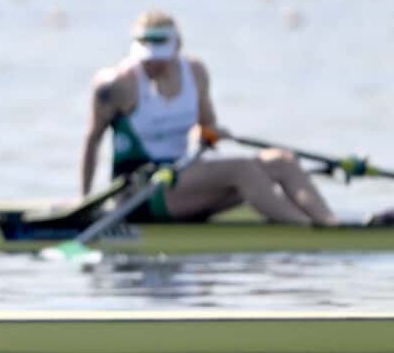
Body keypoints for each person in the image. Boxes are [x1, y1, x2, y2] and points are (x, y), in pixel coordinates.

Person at [80, 11, 336, 226]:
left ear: (178, 44)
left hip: (182, 177)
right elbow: (92, 141)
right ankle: (305, 231)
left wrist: (209, 133)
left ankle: (329, 224)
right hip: (138, 192)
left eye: (160, 57)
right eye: (148, 58)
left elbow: (206, 127)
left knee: (282, 161)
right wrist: (85, 203)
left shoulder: (195, 73)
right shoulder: (116, 85)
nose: (153, 64)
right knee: (243, 169)